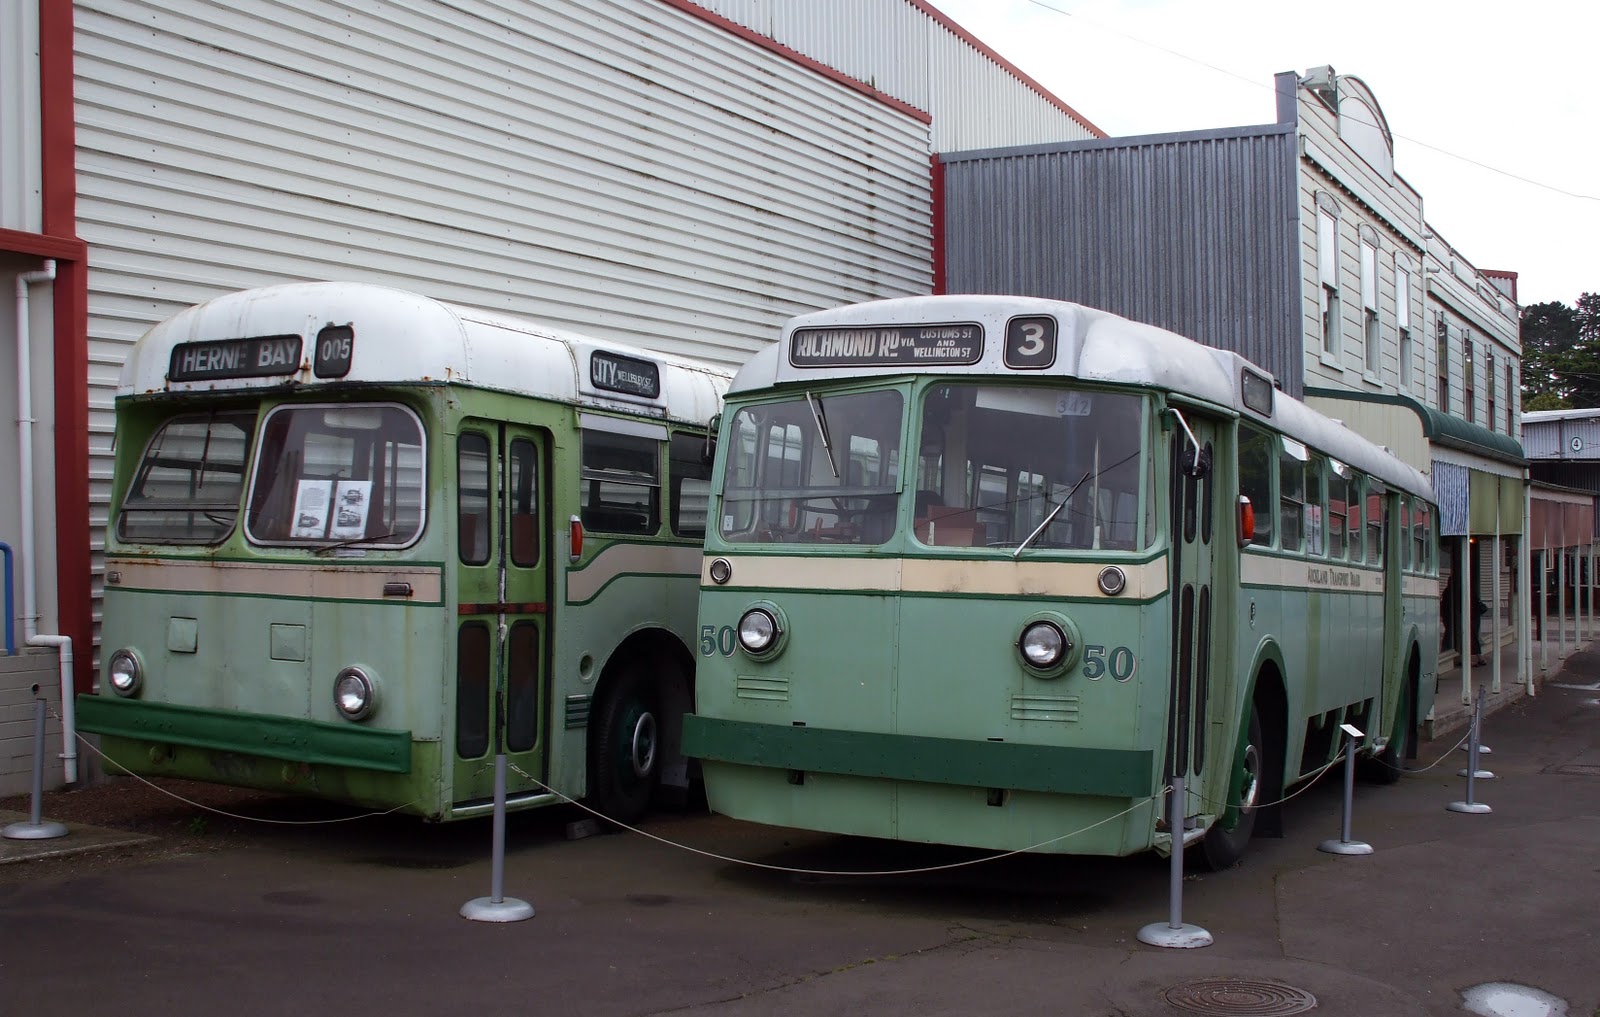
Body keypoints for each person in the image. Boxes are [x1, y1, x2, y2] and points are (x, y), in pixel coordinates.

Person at [1471, 597, 1490, 666]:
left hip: (1471, 616)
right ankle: (1480, 658)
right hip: (1474, 616)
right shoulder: (1473, 592)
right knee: (1473, 637)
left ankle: (1480, 658)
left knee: (1472, 637)